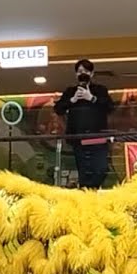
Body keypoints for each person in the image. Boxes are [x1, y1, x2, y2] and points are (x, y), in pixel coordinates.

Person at [53, 59, 115, 189]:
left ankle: (91, 190)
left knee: (101, 168)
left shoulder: (100, 90)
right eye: (80, 71)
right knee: (83, 171)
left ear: (92, 74)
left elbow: (110, 107)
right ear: (76, 74)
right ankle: (87, 194)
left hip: (98, 138)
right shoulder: (70, 91)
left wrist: (91, 98)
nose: (83, 74)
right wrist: (73, 100)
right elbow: (58, 109)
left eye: (86, 71)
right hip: (78, 139)